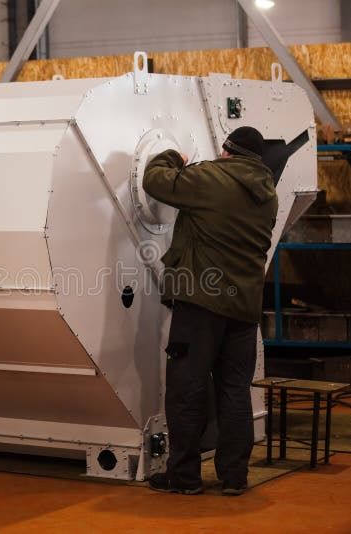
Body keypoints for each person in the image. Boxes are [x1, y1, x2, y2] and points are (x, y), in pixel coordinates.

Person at [142, 126, 277, 496]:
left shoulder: (211, 178)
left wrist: (174, 156)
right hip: (244, 307)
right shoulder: (268, 193)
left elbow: (155, 180)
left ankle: (184, 477)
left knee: (186, 390)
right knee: (235, 391)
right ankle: (235, 477)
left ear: (227, 151)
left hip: (201, 305)